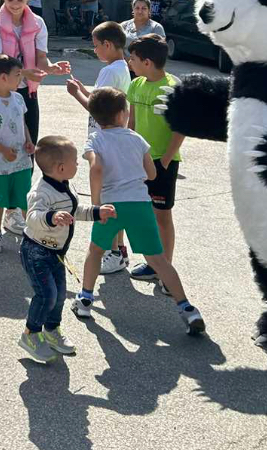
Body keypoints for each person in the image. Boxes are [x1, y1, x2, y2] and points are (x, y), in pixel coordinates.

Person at [69, 88, 205, 334]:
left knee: (96, 252)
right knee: (158, 260)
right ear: (123, 114)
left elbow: (96, 168)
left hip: (110, 206)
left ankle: (85, 299)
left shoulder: (95, 140)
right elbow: (151, 174)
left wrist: (97, 205)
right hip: (140, 204)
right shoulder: (136, 139)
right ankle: (187, 308)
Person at [17, 136, 116, 364]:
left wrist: (96, 212)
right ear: (61, 168)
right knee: (46, 295)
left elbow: (75, 210)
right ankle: (31, 334)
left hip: (56, 253)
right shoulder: (40, 192)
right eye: (74, 161)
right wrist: (51, 217)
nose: (78, 164)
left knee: (60, 294)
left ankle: (52, 330)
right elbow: (32, 218)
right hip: (36, 252)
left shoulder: (66, 185)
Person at [0, 0, 73, 192]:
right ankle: (4, 204)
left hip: (27, 94)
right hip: (0, 95)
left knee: (28, 147)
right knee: (1, 150)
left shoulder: (38, 23)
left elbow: (41, 58)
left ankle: (20, 203)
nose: (15, 4)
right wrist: (24, 73)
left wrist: (50, 67)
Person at [65, 21, 132, 276]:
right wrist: (85, 90)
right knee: (115, 193)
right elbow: (103, 101)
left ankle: (112, 252)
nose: (94, 51)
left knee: (105, 198)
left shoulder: (108, 72)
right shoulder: (121, 68)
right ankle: (120, 249)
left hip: (103, 139)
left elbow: (98, 110)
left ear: (107, 44)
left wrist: (75, 94)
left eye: (96, 46)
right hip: (116, 137)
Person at [125, 35, 184, 285]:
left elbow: (181, 128)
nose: (130, 62)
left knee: (162, 216)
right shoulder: (136, 84)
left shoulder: (173, 87)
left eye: (134, 58)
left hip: (162, 162)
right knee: (146, 215)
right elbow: (132, 122)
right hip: (139, 161)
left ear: (147, 62)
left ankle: (165, 271)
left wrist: (166, 160)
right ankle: (152, 264)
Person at [0, 56, 36, 254]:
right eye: (17, 75)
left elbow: (23, 124)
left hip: (21, 161)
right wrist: (2, 150)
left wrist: (28, 141)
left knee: (23, 195)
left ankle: (30, 234)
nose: (21, 79)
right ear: (3, 77)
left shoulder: (18, 98)